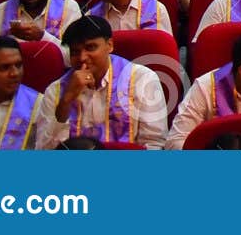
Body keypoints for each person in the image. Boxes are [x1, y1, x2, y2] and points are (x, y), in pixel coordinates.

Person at [32, 15, 167, 148]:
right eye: (75, 52)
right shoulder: (56, 90)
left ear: (110, 45)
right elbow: (44, 149)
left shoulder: (142, 79)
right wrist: (66, 101)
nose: (82, 58)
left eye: (90, 48)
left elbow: (154, 144)